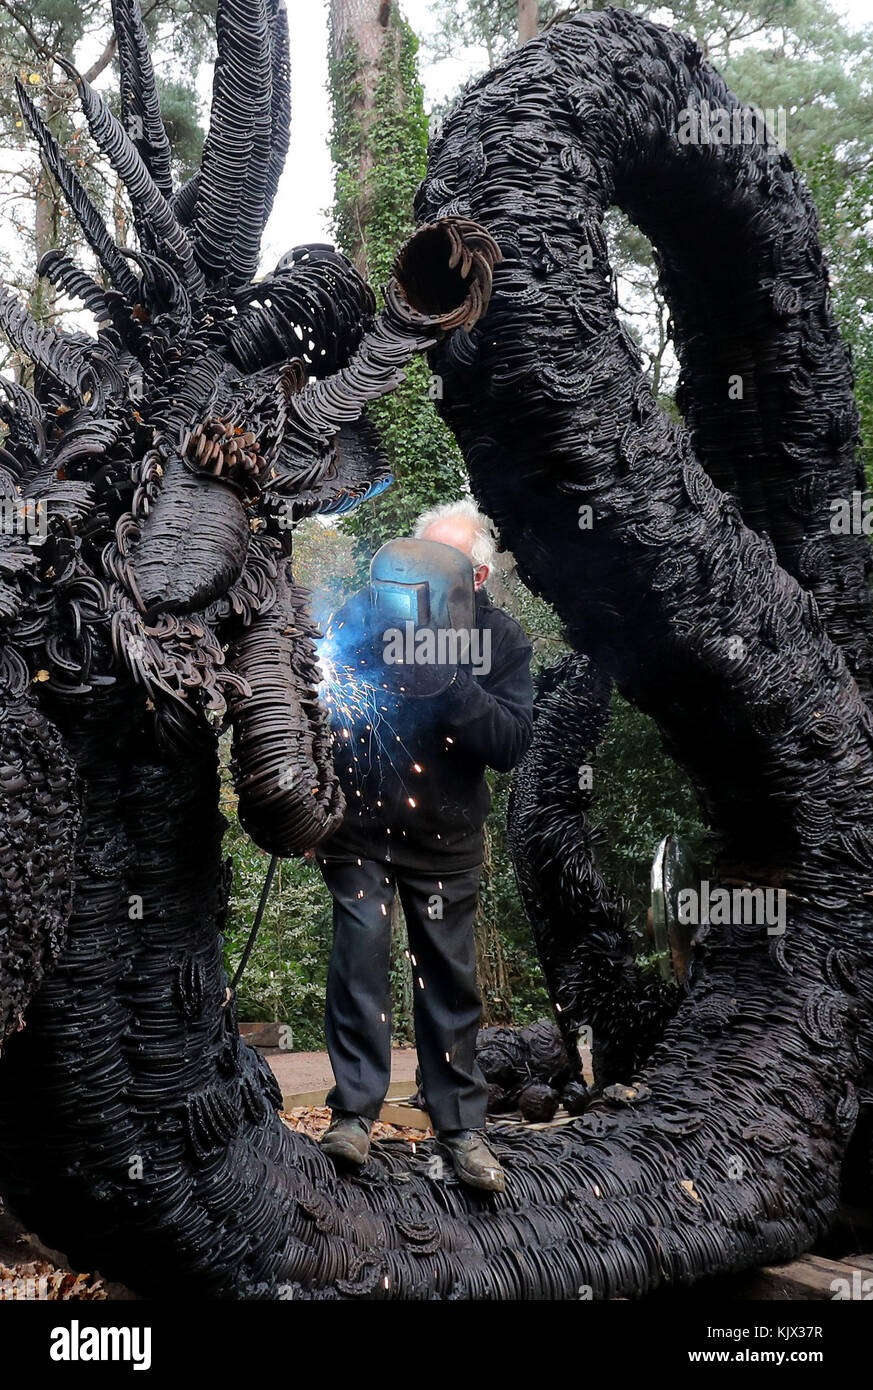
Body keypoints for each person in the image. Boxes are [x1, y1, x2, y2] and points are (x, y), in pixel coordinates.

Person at [315, 499, 534, 1190]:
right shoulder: (362, 614)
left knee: (448, 982)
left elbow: (510, 743)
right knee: (360, 956)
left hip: (446, 842)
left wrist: (449, 683)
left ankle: (460, 1128)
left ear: (474, 578)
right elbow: (317, 691)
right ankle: (353, 1115)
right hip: (359, 831)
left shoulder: (500, 639)